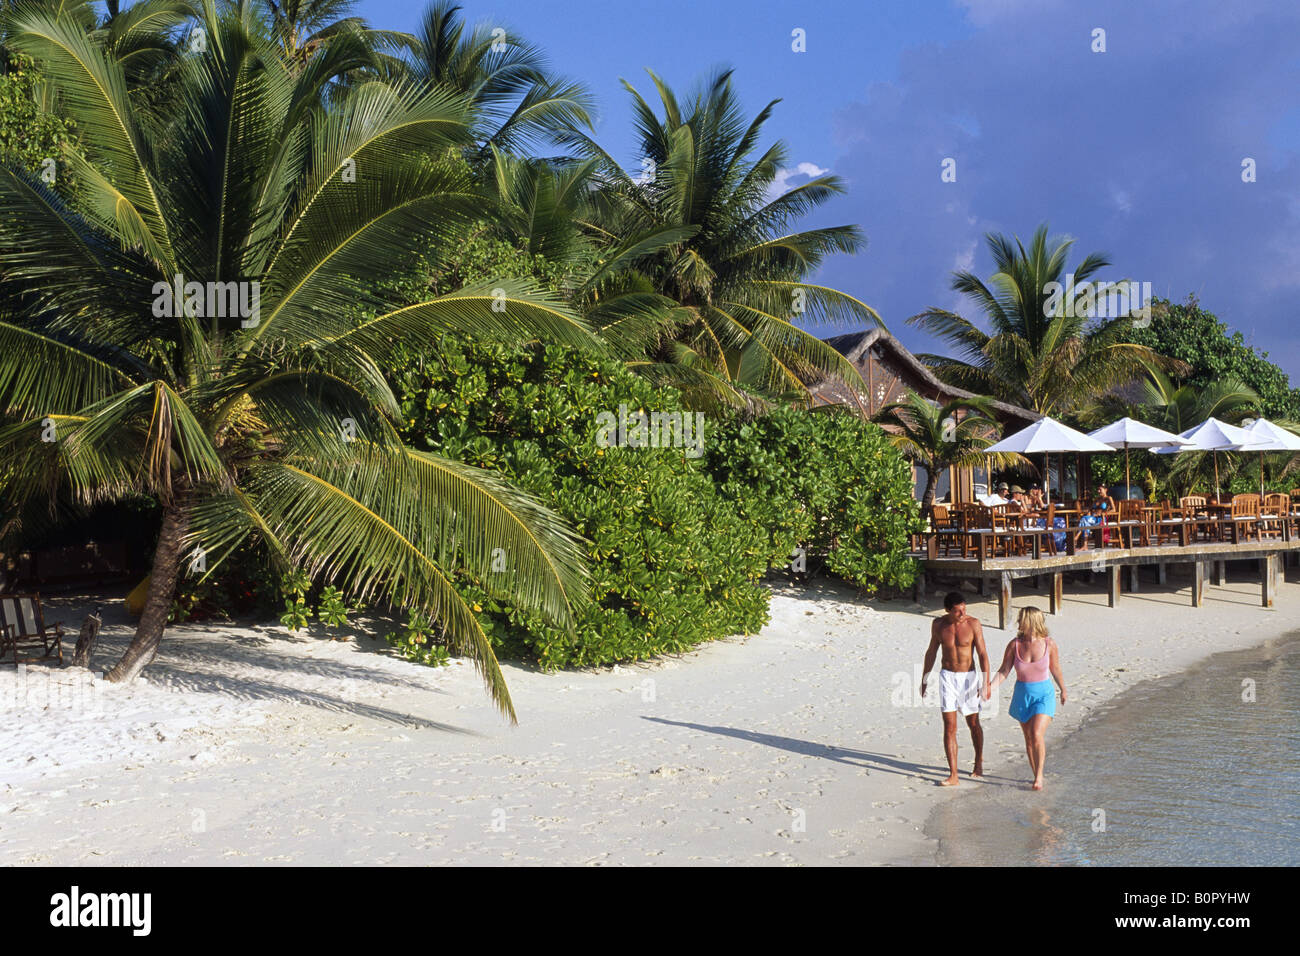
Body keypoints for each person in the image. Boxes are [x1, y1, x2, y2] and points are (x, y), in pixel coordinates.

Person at [988, 607, 1067, 790]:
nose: (1018, 622)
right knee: (1029, 739)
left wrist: (1063, 689)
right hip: (1022, 695)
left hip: (1044, 695)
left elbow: (1055, 668)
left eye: (1022, 618)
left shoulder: (1049, 644)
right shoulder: (1014, 645)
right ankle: (1035, 775)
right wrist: (990, 688)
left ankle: (1039, 777)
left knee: (1037, 733)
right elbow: (1004, 671)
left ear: (1032, 621)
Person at [920, 592, 990, 786]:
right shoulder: (939, 625)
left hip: (969, 677)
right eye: (957, 610)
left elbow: (983, 653)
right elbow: (932, 651)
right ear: (947, 610)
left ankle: (978, 762)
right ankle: (954, 774)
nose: (962, 613)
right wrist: (925, 678)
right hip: (948, 677)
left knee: (973, 723)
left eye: (964, 608)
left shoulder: (973, 624)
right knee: (949, 726)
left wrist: (986, 682)